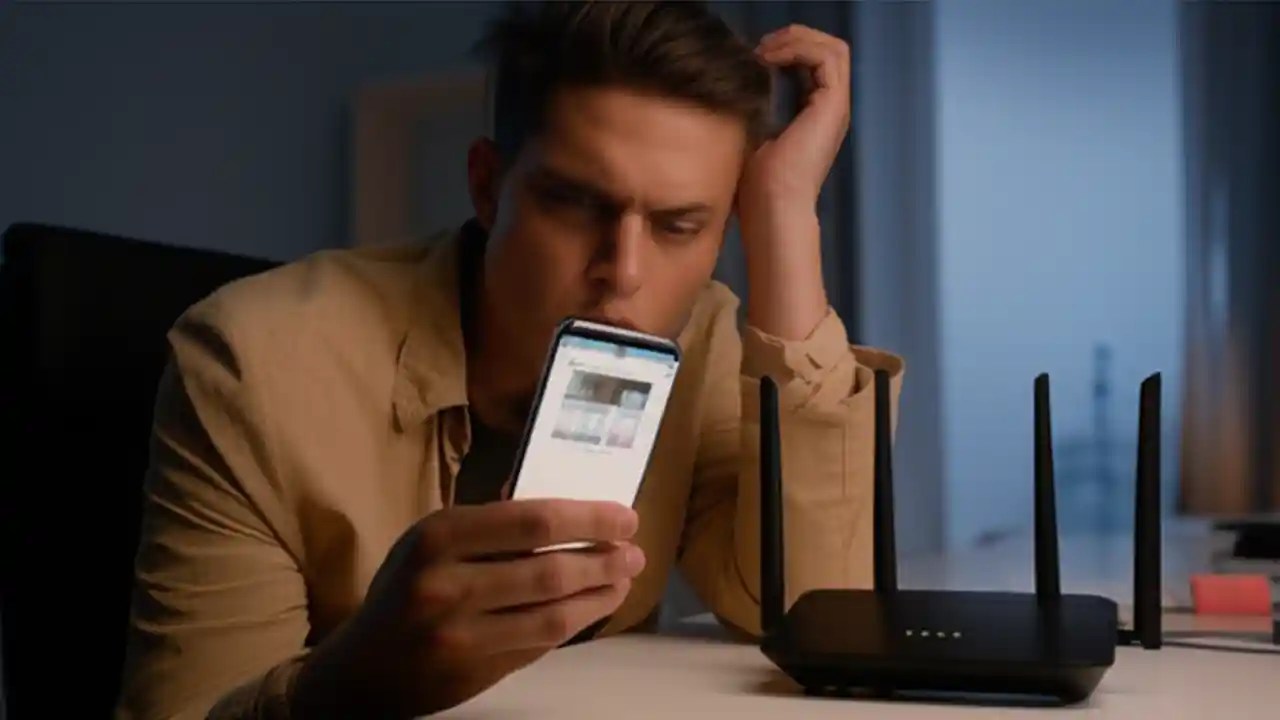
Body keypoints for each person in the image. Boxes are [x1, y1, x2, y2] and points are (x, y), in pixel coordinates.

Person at [114, 2, 903, 718]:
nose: (623, 272)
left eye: (678, 226)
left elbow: (810, 609)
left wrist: (785, 218)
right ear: (488, 188)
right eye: (575, 204)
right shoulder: (253, 361)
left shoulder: (699, 343)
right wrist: (357, 678)